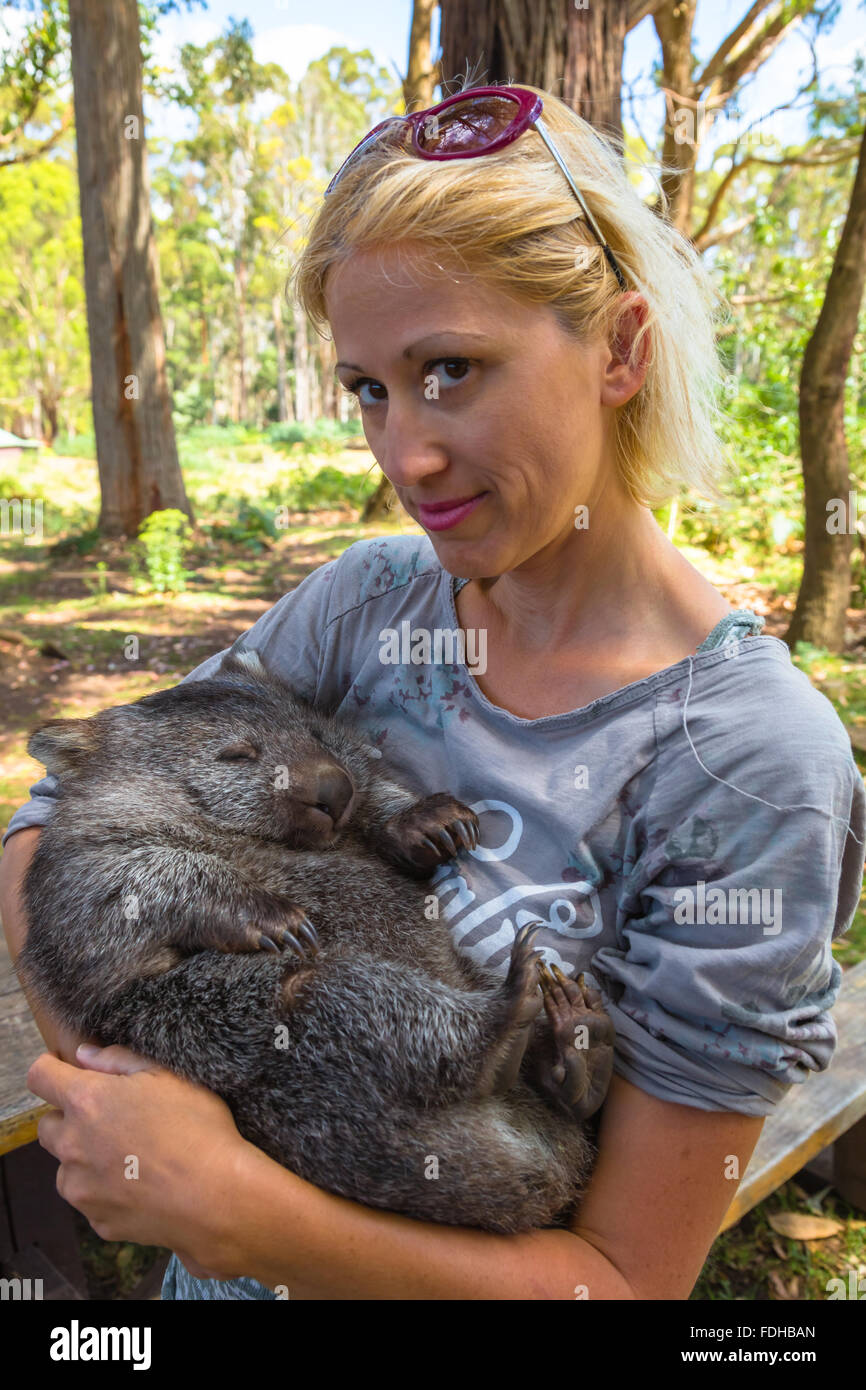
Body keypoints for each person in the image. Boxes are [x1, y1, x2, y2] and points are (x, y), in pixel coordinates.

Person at [1, 82, 864, 1302]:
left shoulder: (746, 762)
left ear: (620, 348)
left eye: (450, 369)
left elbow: (621, 1282)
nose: (402, 454)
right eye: (367, 388)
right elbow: (53, 820)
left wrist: (252, 1211)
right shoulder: (366, 603)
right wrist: (158, 1092)